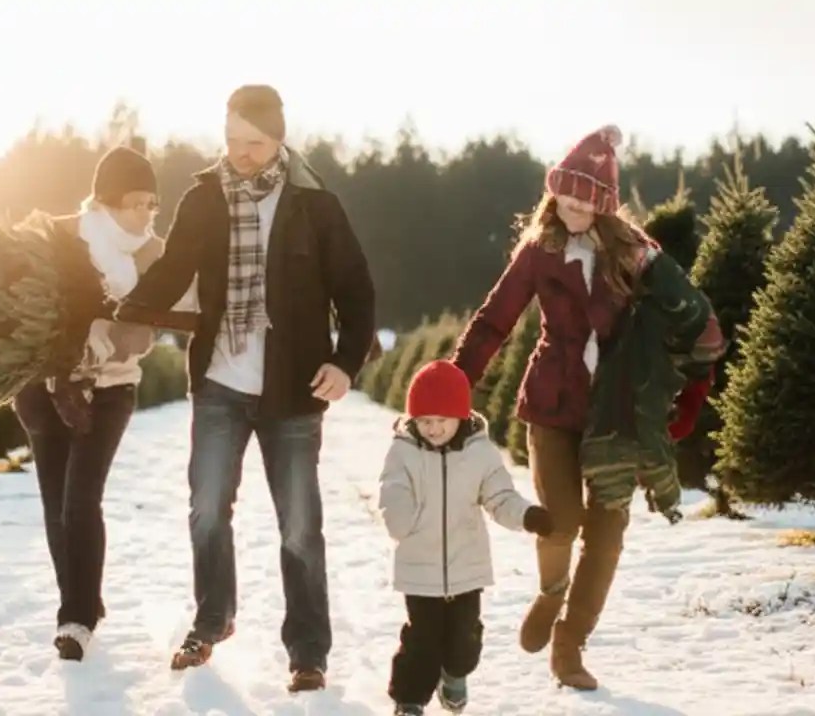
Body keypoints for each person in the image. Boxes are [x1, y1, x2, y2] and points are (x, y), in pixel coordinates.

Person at [115, 84, 376, 692]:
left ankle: (308, 651)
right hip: (220, 384)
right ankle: (212, 618)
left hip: (292, 391)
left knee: (300, 527)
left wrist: (345, 363)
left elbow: (357, 294)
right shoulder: (205, 197)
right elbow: (174, 267)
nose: (240, 154)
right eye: (231, 142)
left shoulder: (316, 205)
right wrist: (124, 309)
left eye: (253, 144)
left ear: (278, 139)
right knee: (207, 510)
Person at [450, 125, 723, 690]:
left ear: (604, 206)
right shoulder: (539, 249)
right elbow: (495, 319)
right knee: (561, 522)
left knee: (607, 532)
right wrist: (456, 383)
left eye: (583, 203)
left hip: (615, 415)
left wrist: (695, 389)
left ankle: (570, 645)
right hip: (552, 405)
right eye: (564, 199)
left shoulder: (638, 255)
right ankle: (551, 594)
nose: (571, 210)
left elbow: (695, 317)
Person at [12, 145, 166, 661]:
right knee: (56, 504)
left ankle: (75, 621)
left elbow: (143, 333)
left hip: (109, 389)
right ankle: (79, 601)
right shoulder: (58, 235)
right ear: (106, 200)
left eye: (153, 204)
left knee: (81, 499)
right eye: (136, 203)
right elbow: (22, 300)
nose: (146, 214)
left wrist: (97, 343)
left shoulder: (152, 254)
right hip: (44, 387)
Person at [379, 360, 553, 716]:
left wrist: (527, 515)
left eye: (441, 420)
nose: (433, 429)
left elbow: (499, 496)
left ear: (460, 415)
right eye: (425, 421)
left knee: (465, 639)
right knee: (421, 641)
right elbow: (391, 490)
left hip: (468, 567)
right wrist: (400, 520)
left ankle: (455, 674)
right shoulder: (403, 451)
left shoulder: (479, 453)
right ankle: (409, 700)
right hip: (419, 569)